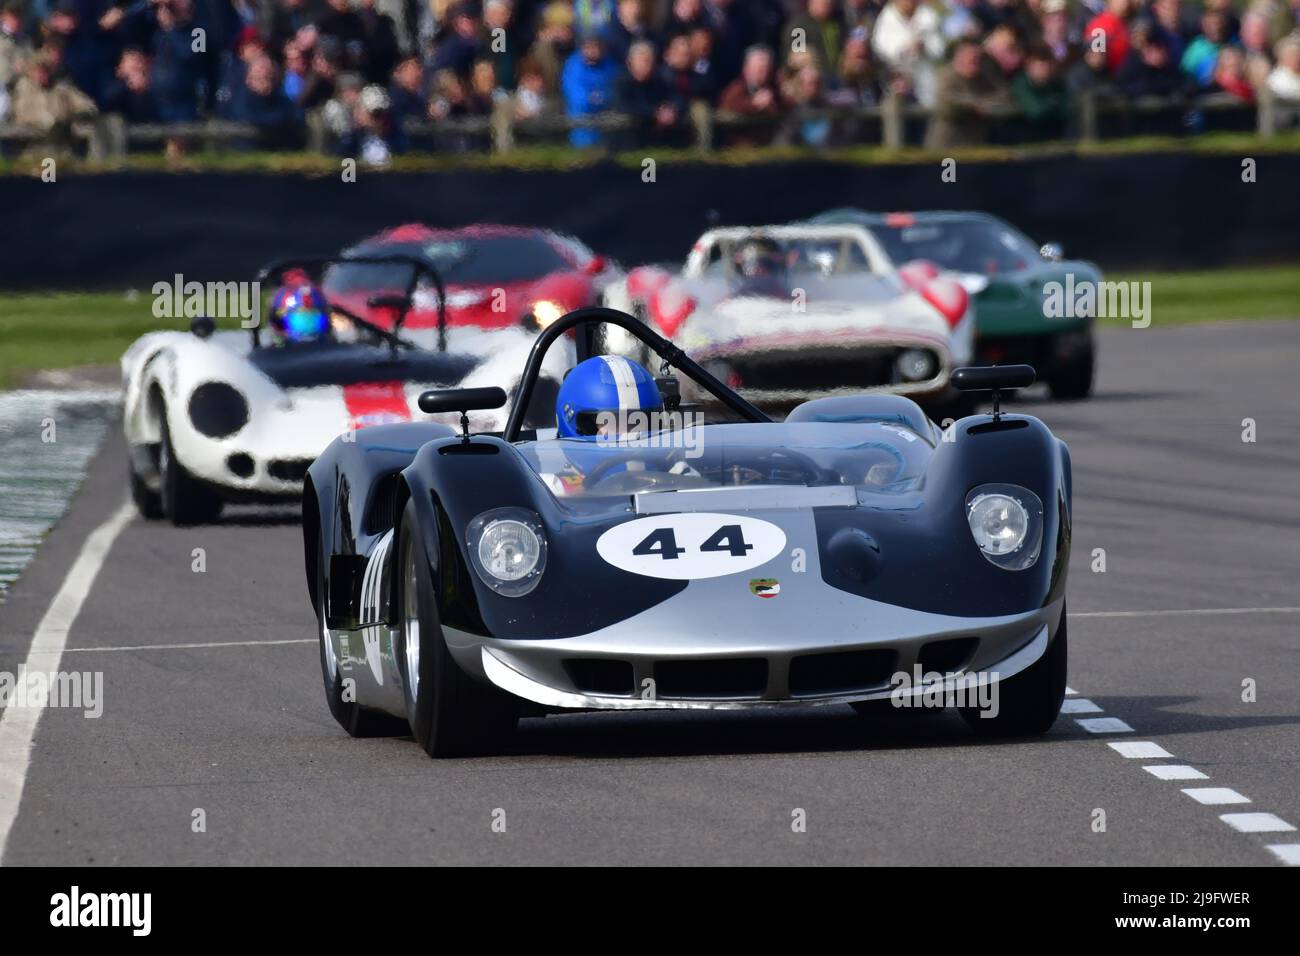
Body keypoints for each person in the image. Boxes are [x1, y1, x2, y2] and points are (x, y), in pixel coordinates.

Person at [925, 36, 1010, 147]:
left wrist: (981, 104)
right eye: (970, 57)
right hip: (947, 144)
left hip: (976, 143)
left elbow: (1004, 95)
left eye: (977, 58)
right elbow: (947, 104)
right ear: (959, 57)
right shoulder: (947, 76)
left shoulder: (983, 76)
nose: (975, 61)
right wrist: (974, 106)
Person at [560, 31, 617, 146]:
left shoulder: (610, 64)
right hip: (581, 125)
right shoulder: (573, 65)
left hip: (607, 125)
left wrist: (603, 98)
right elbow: (576, 98)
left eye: (597, 46)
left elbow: (615, 92)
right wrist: (594, 99)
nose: (593, 51)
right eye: (589, 47)